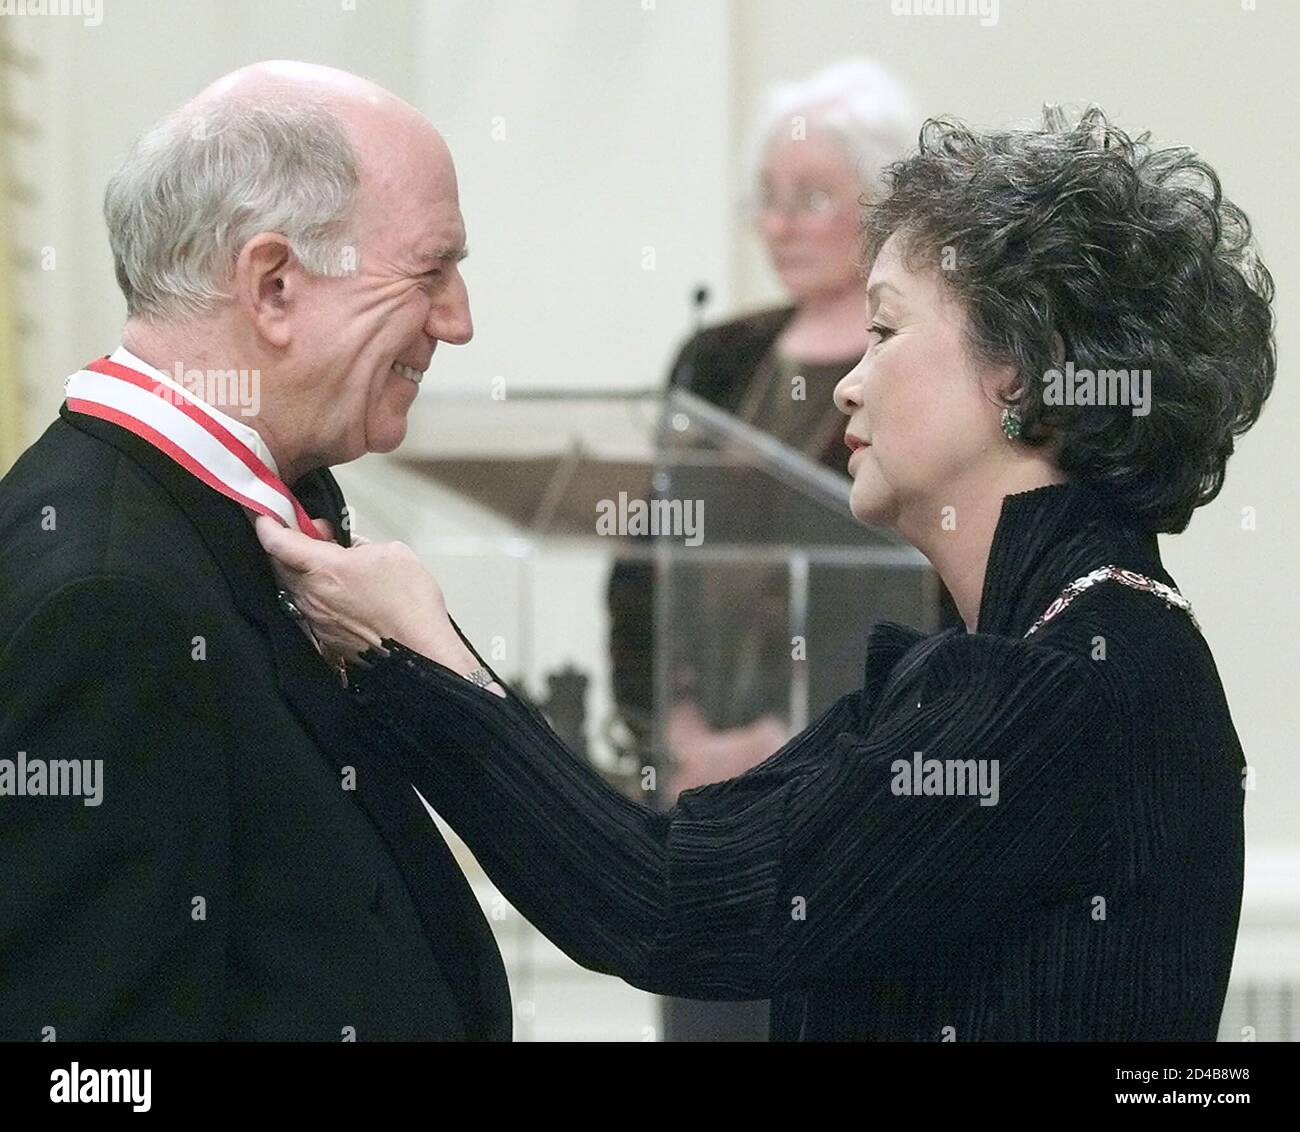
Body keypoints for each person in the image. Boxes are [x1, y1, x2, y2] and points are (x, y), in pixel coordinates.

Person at [259, 106, 1275, 1040]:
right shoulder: (1045, 650)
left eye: (883, 330)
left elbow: (666, 905)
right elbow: (674, 857)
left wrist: (422, 653)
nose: (850, 380)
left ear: (1019, 372)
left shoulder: (1056, 689)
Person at [0, 62, 511, 1040]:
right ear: (273, 286)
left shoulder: (237, 508)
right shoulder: (109, 601)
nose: (457, 319)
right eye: (430, 270)